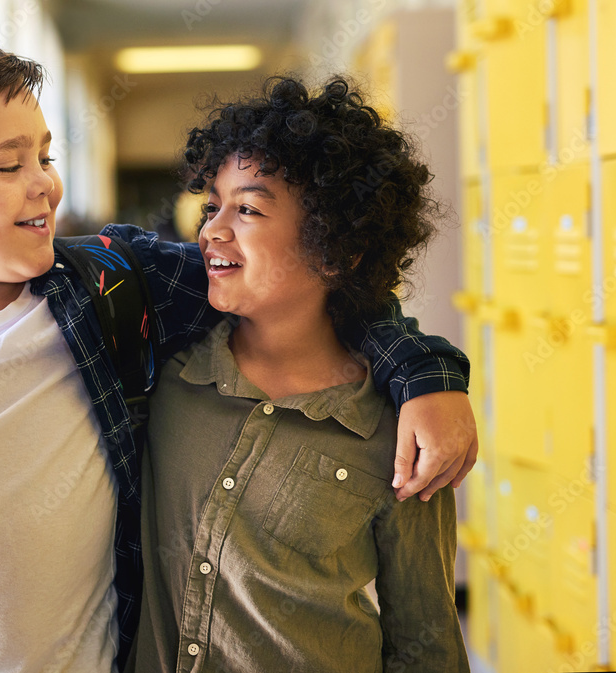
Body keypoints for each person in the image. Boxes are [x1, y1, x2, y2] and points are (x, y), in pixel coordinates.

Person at [0, 40, 475, 672]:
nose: (44, 183)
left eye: (46, 155)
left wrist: (425, 372)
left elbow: (305, 281)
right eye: (7, 165)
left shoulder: (110, 288)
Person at [133, 76, 470, 672]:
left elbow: (428, 641)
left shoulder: (402, 436)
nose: (212, 228)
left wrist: (430, 380)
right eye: (214, 204)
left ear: (336, 249)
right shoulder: (165, 370)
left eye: (249, 209)